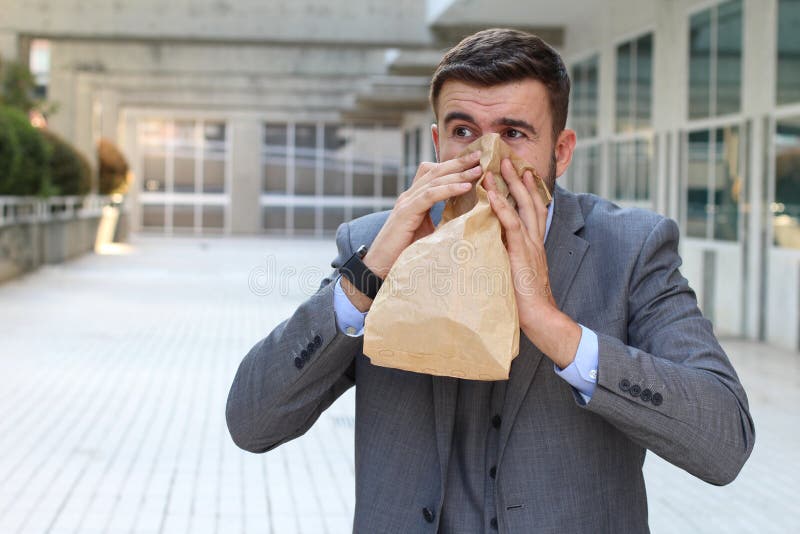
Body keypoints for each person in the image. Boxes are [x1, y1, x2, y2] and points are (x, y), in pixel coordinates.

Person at [226, 28, 754, 533]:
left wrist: (551, 324)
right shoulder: (374, 244)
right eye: (464, 132)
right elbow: (253, 423)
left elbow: (724, 442)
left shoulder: (632, 248)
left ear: (561, 151)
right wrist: (366, 278)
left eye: (514, 134)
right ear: (438, 142)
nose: (486, 158)